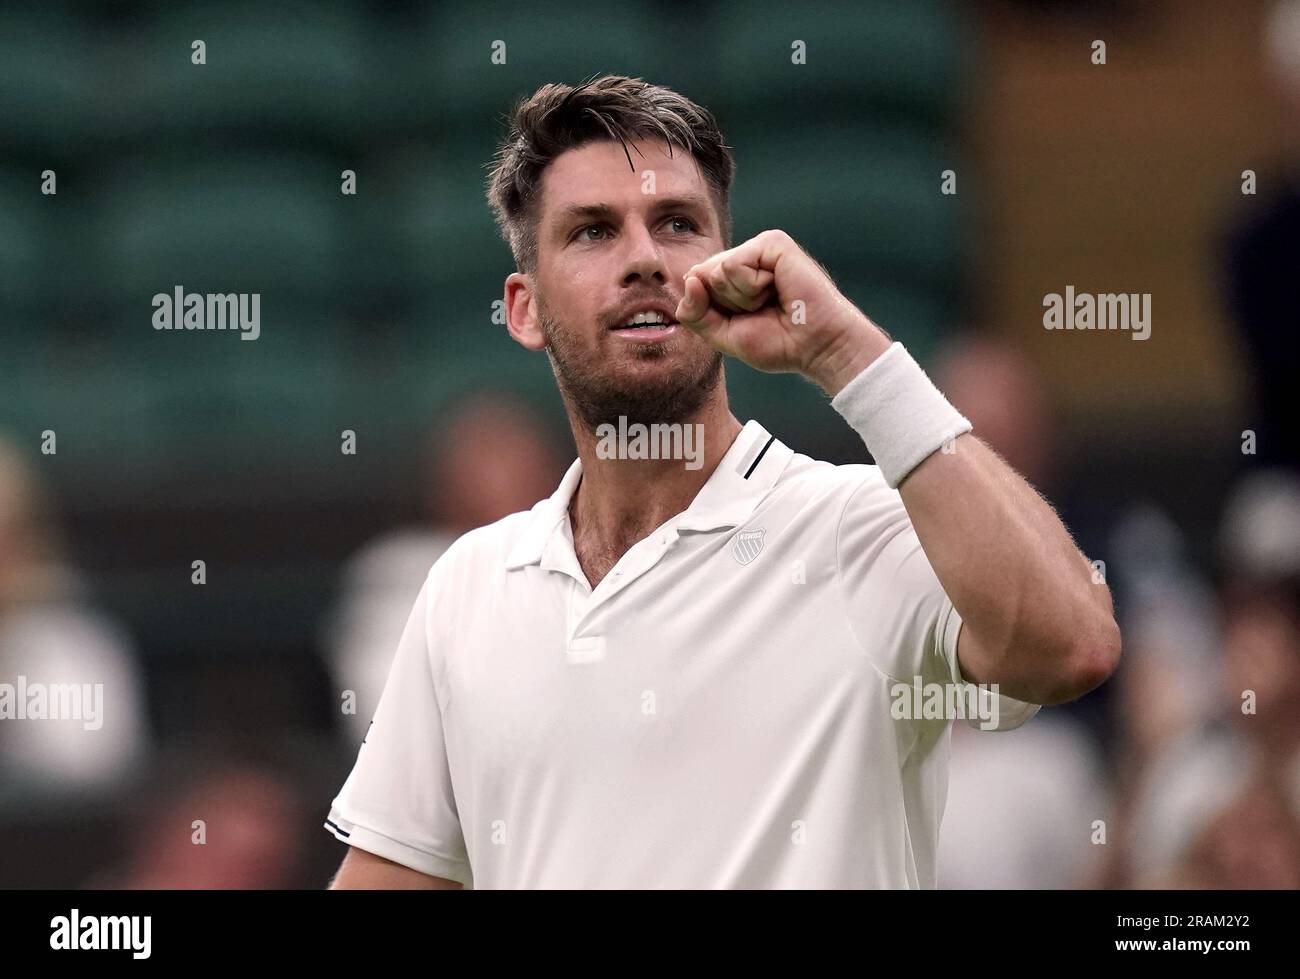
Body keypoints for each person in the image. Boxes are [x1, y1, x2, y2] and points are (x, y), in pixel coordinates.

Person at [324, 75, 1121, 889]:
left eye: (677, 224)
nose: (643, 258)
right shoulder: (466, 587)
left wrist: (850, 354)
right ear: (523, 310)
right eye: (594, 232)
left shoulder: (858, 528)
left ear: (723, 261)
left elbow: (1074, 647)